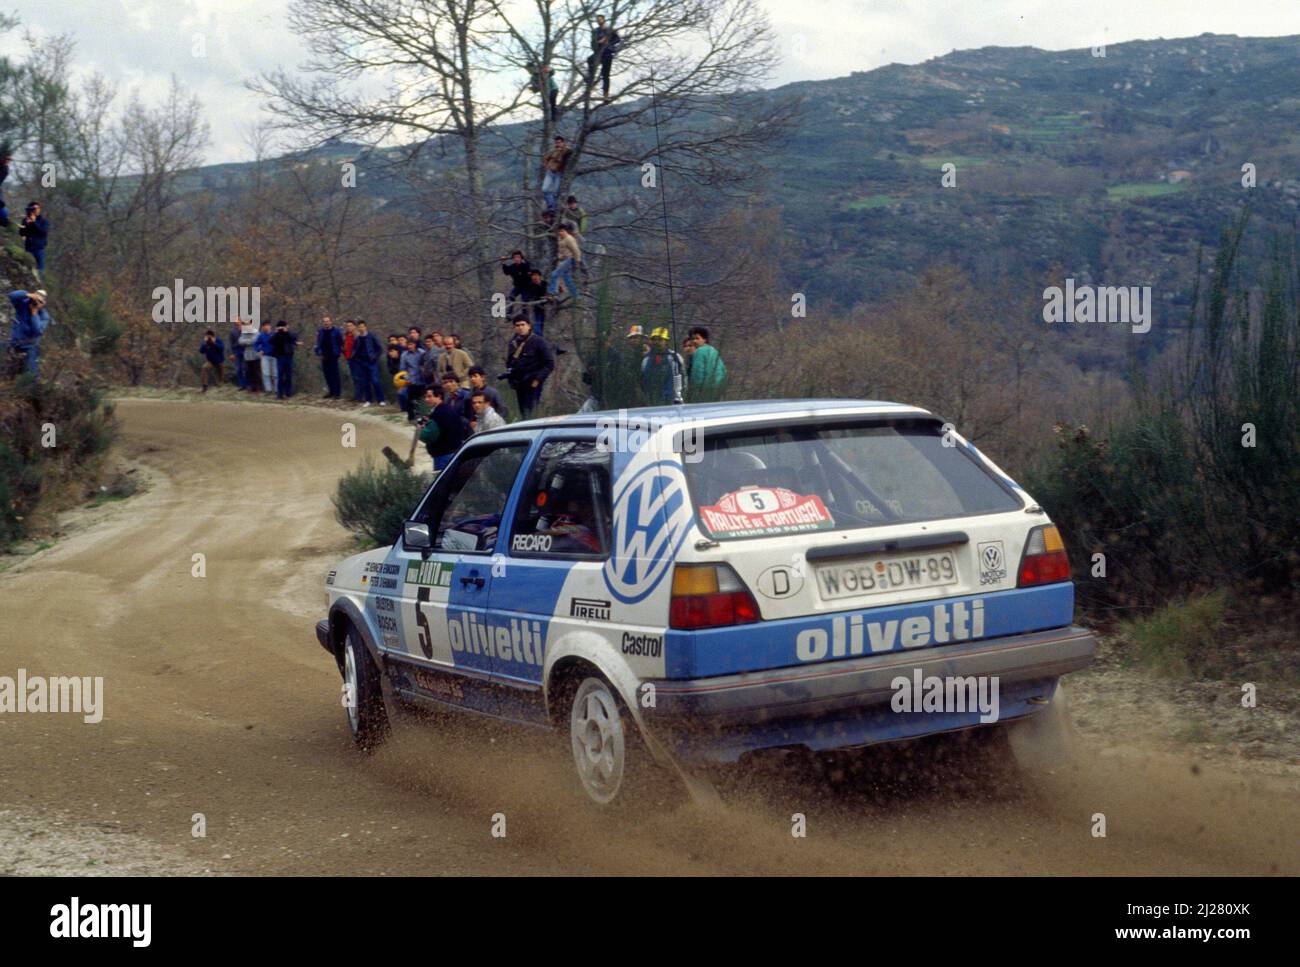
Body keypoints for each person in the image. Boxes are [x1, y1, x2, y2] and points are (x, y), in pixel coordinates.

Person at [503, 315, 554, 418]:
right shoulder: (513, 342)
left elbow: (549, 363)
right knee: (523, 414)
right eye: (517, 325)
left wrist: (538, 379)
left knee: (531, 414)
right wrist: (511, 379)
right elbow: (510, 363)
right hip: (519, 384)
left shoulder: (538, 341)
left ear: (529, 326)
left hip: (532, 383)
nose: (520, 327)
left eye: (523, 325)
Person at [427, 383, 470, 471]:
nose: (426, 399)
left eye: (429, 396)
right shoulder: (448, 409)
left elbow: (432, 437)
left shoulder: (439, 413)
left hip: (443, 456)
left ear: (438, 396)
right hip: (452, 453)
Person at [640, 327, 687, 404]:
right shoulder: (646, 359)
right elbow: (643, 380)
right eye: (654, 340)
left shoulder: (675, 358)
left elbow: (682, 378)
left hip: (671, 401)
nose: (657, 342)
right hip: (651, 401)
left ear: (666, 341)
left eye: (660, 340)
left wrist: (679, 396)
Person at [587, 14, 623, 99]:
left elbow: (618, 39)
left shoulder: (609, 30)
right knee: (590, 60)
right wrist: (598, 43)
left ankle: (605, 95)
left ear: (604, 20)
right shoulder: (595, 31)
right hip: (599, 53)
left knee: (605, 75)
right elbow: (592, 43)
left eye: (600, 19)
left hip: (607, 53)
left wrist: (608, 42)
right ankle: (590, 80)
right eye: (597, 19)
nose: (599, 21)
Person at [352, 320, 385, 406]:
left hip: (371, 362)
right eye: (359, 327)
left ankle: (381, 400)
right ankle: (369, 400)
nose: (361, 328)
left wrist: (375, 357)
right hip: (361, 362)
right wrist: (356, 358)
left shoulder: (372, 336)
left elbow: (379, 348)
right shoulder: (357, 338)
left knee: (375, 381)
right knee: (365, 382)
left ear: (365, 327)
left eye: (362, 326)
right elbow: (355, 350)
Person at [687, 325, 726, 399]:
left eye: (697, 338)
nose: (694, 341)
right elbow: (723, 371)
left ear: (704, 339)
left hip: (704, 393)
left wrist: (695, 392)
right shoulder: (714, 351)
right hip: (717, 391)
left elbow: (698, 374)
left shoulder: (699, 352)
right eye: (692, 339)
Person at [548, 225, 581, 303]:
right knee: (568, 280)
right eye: (559, 231)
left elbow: (576, 251)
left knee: (554, 274)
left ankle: (551, 293)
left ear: (565, 231)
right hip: (563, 260)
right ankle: (577, 297)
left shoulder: (569, 239)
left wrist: (577, 261)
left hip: (569, 259)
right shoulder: (560, 238)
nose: (560, 233)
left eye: (562, 231)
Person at [315, 315, 344, 398]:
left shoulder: (336, 331)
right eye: (324, 321)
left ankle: (337, 393)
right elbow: (318, 343)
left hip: (333, 355)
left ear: (330, 322)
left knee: (335, 374)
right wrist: (319, 352)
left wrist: (338, 353)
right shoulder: (321, 331)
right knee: (327, 375)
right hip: (324, 356)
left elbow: (341, 343)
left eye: (327, 321)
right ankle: (331, 391)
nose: (326, 323)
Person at [541, 135, 571, 212]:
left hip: (558, 173)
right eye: (556, 143)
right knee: (544, 189)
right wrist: (547, 167)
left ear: (563, 142)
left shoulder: (566, 150)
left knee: (556, 192)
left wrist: (563, 148)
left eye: (559, 142)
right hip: (550, 172)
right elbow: (545, 158)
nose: (557, 144)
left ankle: (553, 209)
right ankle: (551, 206)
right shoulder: (553, 151)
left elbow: (569, 151)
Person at [270, 320, 299, 399]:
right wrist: (276, 332)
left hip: (289, 356)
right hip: (280, 357)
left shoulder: (290, 333)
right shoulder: (276, 335)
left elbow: (294, 338)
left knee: (289, 375)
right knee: (280, 376)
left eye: (284, 326)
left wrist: (287, 332)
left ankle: (288, 392)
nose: (282, 328)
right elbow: (270, 341)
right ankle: (280, 394)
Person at [18, 201, 49, 275]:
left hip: (39, 248)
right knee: (27, 267)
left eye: (38, 208)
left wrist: (34, 222)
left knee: (40, 268)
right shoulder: (26, 220)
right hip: (29, 247)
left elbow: (43, 232)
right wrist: (26, 224)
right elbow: (22, 232)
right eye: (34, 208)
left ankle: (40, 284)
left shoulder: (43, 221)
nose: (36, 210)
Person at [253, 319, 276, 393]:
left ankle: (277, 389)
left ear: (269, 326)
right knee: (266, 373)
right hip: (265, 356)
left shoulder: (274, 334)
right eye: (264, 326)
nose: (266, 327)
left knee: (275, 373)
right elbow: (256, 344)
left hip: (274, 355)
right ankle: (268, 389)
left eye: (267, 325)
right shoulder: (261, 335)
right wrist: (259, 350)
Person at [229, 321, 249, 390]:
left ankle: (247, 385)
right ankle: (241, 385)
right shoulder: (232, 331)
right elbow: (231, 343)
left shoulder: (245, 330)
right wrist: (232, 353)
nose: (237, 323)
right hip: (237, 352)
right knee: (238, 369)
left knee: (245, 368)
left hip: (245, 351)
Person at [0, 152, 11, 228]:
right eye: (6, 159)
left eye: (9, 160)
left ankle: (4, 221)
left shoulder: (6, 169)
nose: (8, 161)